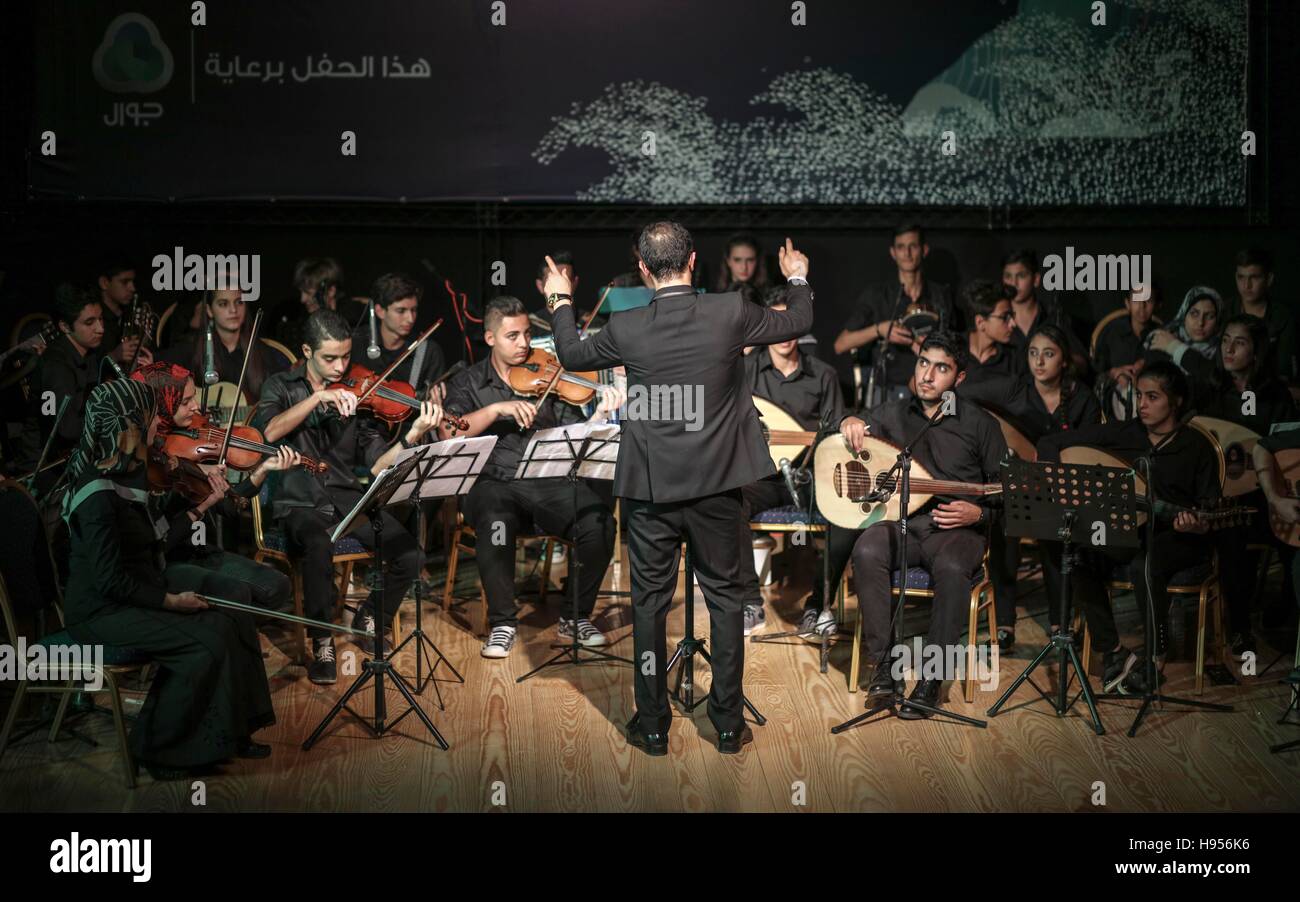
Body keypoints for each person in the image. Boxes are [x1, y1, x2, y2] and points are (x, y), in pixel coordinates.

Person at [550, 223, 814, 756]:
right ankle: (726, 725)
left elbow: (571, 356)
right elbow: (803, 318)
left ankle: (652, 728)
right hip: (718, 488)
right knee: (724, 602)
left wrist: (560, 299)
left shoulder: (626, 327)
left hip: (652, 491)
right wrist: (797, 275)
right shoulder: (730, 311)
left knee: (648, 606)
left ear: (643, 269)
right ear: (693, 261)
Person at [57, 379, 275, 780]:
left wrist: (203, 502)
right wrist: (171, 603)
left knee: (230, 615)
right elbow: (108, 581)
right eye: (149, 419)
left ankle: (234, 730)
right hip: (101, 611)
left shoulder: (128, 471)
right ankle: (161, 752)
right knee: (205, 640)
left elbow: (153, 537)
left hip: (139, 586)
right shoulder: (96, 494)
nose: (158, 427)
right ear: (129, 426)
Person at [252, 309, 441, 684]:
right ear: (306, 350)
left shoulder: (360, 393)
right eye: (329, 358)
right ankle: (322, 639)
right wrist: (318, 398)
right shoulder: (280, 385)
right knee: (318, 545)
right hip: (298, 501)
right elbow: (269, 432)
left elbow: (376, 466)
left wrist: (412, 434)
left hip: (346, 499)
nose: (341, 367)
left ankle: (373, 614)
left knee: (409, 554)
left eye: (345, 356)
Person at [438, 295, 620, 657]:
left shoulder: (547, 376)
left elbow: (574, 433)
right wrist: (496, 409)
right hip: (492, 483)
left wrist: (599, 414)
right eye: (512, 336)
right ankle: (503, 623)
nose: (524, 344)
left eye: (526, 334)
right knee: (495, 519)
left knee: (599, 522)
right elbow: (449, 432)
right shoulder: (468, 382)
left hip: (546, 481)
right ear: (490, 338)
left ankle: (574, 615)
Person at [840, 331, 1007, 717]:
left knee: (951, 569)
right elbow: (856, 427)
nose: (928, 375)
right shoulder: (895, 412)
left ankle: (933, 677)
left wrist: (980, 514)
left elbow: (1010, 496)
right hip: (906, 523)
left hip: (956, 531)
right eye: (923, 363)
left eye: (942, 368)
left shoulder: (980, 425)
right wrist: (850, 420)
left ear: (959, 378)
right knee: (867, 548)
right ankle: (885, 668)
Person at [1037, 362, 1221, 695]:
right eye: (1139, 395)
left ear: (1176, 401)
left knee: (1144, 563)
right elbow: (1052, 441)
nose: (1143, 404)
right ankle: (1113, 652)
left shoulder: (1196, 447)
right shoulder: (1124, 433)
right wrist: (1052, 477)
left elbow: (1210, 507)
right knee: (1077, 555)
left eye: (1153, 397)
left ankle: (1155, 653)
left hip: (1178, 538)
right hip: (1128, 530)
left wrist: (1196, 525)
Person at [961, 323, 1102, 649]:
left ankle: (1059, 622)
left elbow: (1094, 443)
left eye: (1048, 354)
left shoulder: (1082, 399)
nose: (1039, 362)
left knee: (1056, 539)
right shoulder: (1016, 388)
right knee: (1004, 531)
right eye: (1033, 353)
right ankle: (1005, 625)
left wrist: (1054, 448)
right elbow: (963, 393)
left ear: (1064, 361)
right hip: (1020, 484)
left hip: (1065, 486)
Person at [131, 361, 298, 618]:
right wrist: (200, 501)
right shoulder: (141, 460)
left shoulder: (192, 441)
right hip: (166, 562)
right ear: (161, 403)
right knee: (235, 595)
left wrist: (261, 471)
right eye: (185, 402)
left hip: (201, 552)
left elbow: (230, 507)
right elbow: (158, 544)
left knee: (276, 586)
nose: (196, 407)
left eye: (193, 398)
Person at [738, 290, 848, 638]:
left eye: (791, 323)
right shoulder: (745, 370)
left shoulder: (823, 374)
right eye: (776, 323)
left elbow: (836, 433)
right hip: (762, 477)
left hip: (808, 475)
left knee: (847, 510)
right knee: (727, 501)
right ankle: (748, 601)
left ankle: (818, 603)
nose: (784, 334)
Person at [1195, 315, 1297, 657]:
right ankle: (1239, 628)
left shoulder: (1275, 395)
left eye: (1239, 343)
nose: (1229, 348)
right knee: (1230, 533)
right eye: (1225, 340)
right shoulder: (1212, 391)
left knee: (1293, 533)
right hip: (1225, 498)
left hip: (1269, 496)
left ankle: (1287, 607)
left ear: (1256, 352)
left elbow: (1285, 450)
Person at [833, 223, 954, 405]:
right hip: (889, 389)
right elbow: (840, 345)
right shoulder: (877, 295)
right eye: (901, 247)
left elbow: (955, 345)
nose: (907, 253)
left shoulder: (940, 295)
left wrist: (927, 345)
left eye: (912, 246)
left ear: (924, 250)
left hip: (933, 387)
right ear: (893, 252)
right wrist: (880, 330)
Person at [164, 282, 287, 416]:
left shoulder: (264, 353)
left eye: (239, 302)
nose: (233, 310)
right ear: (210, 310)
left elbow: (281, 397)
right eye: (223, 304)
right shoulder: (191, 349)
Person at [351, 272, 446, 402]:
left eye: (414, 310)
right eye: (401, 311)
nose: (410, 319)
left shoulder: (429, 351)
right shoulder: (357, 342)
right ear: (380, 311)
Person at [1001, 248, 1087, 373]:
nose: (1014, 283)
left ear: (1036, 279)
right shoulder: (996, 320)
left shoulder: (1054, 317)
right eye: (1008, 276)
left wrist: (1060, 360)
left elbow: (1082, 362)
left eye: (1021, 275)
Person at [1227, 248, 1297, 393]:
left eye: (1254, 277)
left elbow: (1284, 370)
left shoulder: (1282, 316)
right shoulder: (1226, 310)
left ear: (1269, 279)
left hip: (1269, 390)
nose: (1247, 285)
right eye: (1241, 277)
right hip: (1229, 388)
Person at [1143, 285, 1223, 383]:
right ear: (1184, 314)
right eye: (1194, 314)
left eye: (1209, 316)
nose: (1201, 323)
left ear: (1218, 320)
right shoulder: (1161, 338)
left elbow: (1216, 379)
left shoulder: (1224, 349)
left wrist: (1175, 347)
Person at [961, 279, 1022, 388]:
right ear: (980, 322)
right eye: (1005, 317)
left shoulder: (1014, 359)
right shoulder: (952, 349)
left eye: (1012, 316)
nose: (1013, 324)